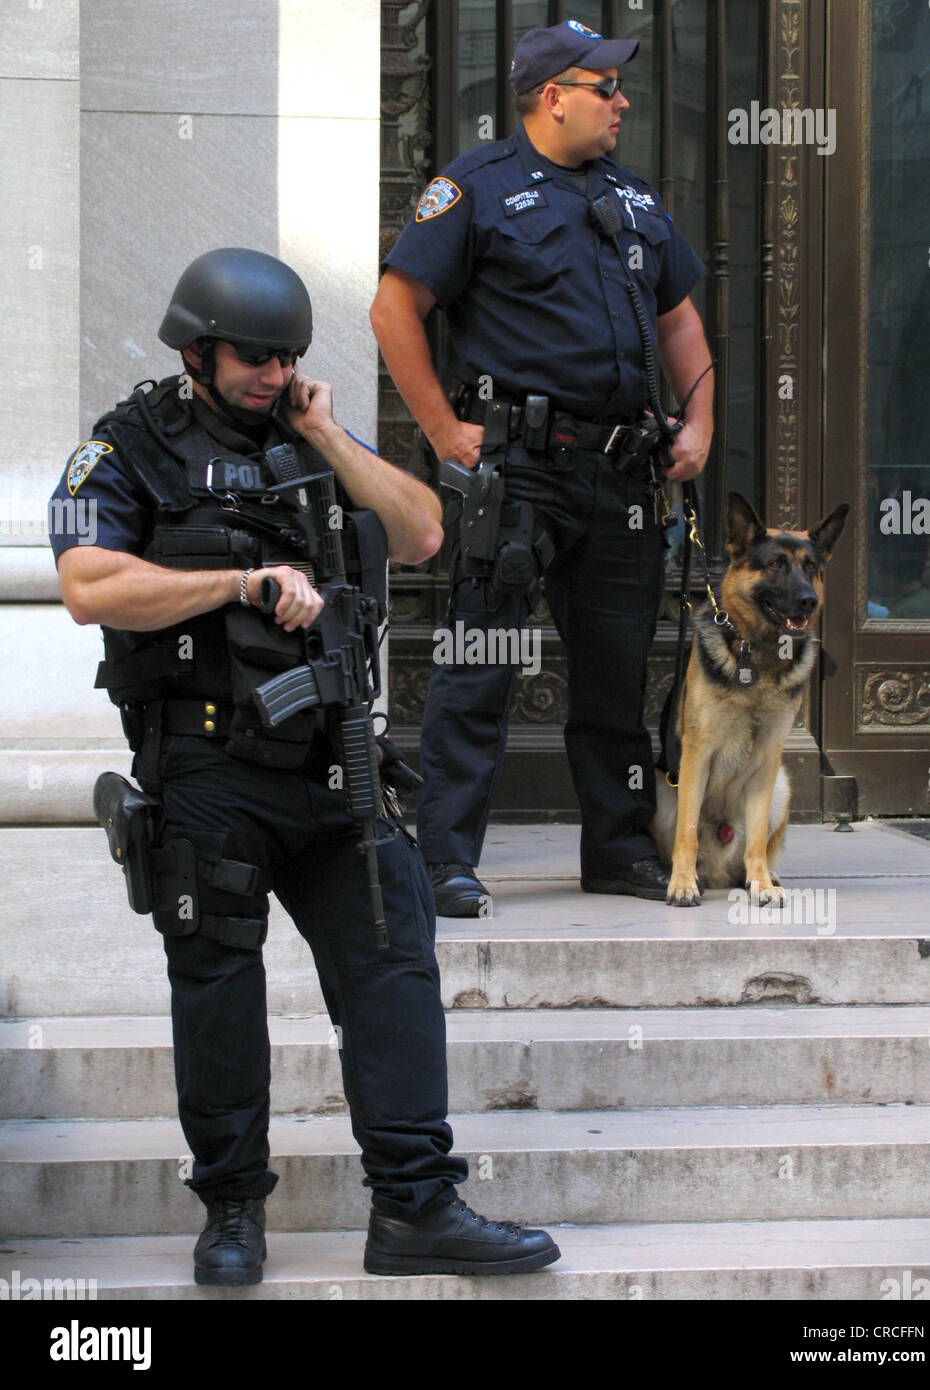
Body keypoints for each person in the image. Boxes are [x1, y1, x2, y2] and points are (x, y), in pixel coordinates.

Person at [50, 247, 559, 1283]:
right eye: (254, 357)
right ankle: (232, 1209)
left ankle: (415, 1204)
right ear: (195, 350)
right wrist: (240, 581)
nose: (274, 375)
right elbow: (87, 584)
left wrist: (325, 430)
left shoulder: (307, 433)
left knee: (394, 957)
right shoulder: (128, 443)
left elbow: (421, 530)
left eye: (288, 357)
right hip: (206, 765)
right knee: (219, 987)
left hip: (333, 763)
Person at [370, 19, 714, 916]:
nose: (623, 102)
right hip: (516, 468)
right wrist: (445, 431)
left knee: (615, 669)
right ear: (552, 95)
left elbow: (678, 320)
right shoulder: (474, 189)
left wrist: (700, 423)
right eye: (607, 87)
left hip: (620, 469)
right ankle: (445, 858)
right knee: (479, 661)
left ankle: (616, 849)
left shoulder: (634, 198)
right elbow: (393, 309)